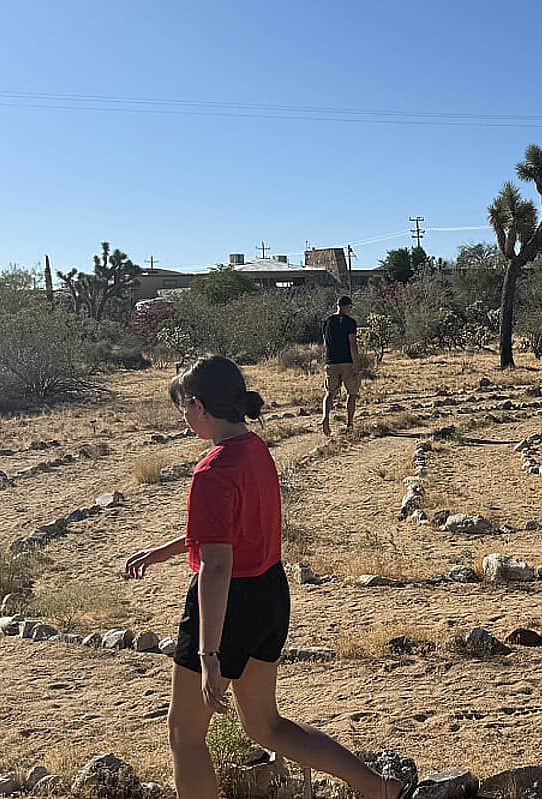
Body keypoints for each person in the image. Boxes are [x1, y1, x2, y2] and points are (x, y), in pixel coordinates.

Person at [124, 355, 401, 799]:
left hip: (227, 605)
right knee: (264, 725)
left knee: (186, 736)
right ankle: (378, 787)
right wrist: (163, 552)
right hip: (269, 595)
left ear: (199, 406)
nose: (183, 419)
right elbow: (223, 532)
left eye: (183, 409)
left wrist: (209, 654)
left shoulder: (212, 470)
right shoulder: (254, 449)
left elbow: (217, 565)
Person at [321, 295, 362, 436]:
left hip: (331, 361)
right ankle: (350, 423)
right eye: (350, 307)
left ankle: (325, 417)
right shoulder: (350, 322)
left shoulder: (327, 321)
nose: (350, 310)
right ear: (345, 306)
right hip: (347, 362)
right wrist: (356, 363)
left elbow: (325, 343)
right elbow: (352, 343)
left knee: (329, 393)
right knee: (352, 393)